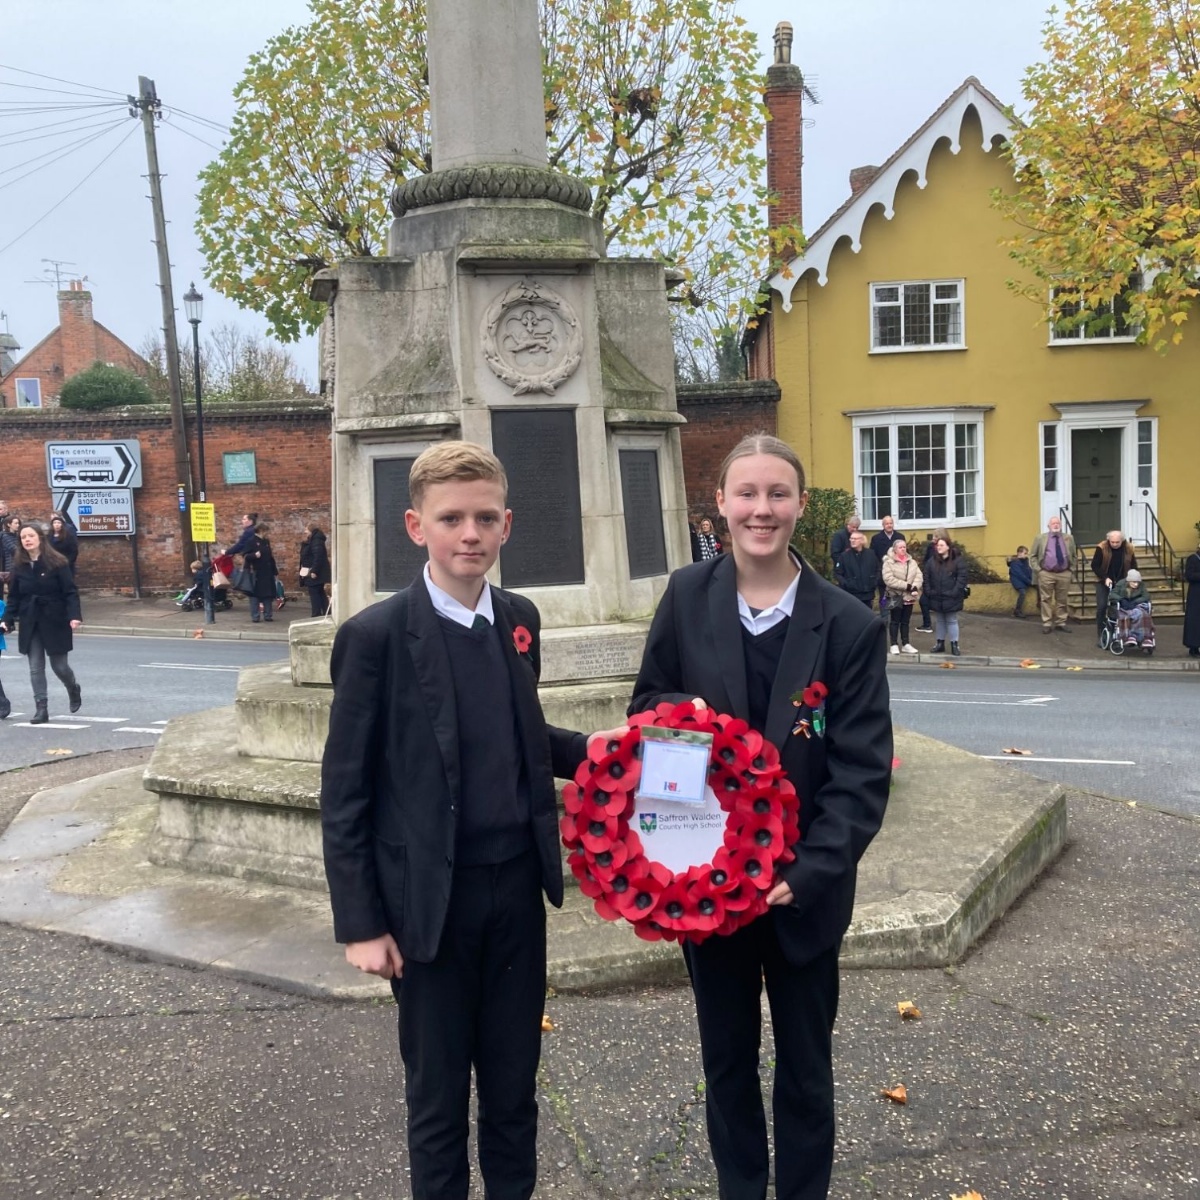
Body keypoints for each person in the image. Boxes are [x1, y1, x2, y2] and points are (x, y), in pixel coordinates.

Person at [321, 442, 608, 1200]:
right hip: (428, 909)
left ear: (508, 524)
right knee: (439, 1102)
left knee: (514, 1096)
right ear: (416, 526)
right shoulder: (375, 639)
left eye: (485, 517)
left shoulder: (519, 620)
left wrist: (592, 754)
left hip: (515, 894)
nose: (469, 533)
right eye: (451, 518)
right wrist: (361, 922)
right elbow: (345, 789)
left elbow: (516, 734)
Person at [630, 433, 892, 1200]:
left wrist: (809, 871)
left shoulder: (847, 625)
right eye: (746, 493)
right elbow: (645, 708)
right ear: (720, 503)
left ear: (801, 505)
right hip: (709, 893)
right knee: (727, 1067)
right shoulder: (686, 597)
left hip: (800, 895)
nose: (761, 509)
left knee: (807, 1072)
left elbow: (862, 770)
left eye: (778, 494)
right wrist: (680, 718)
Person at [0, 522, 83, 724]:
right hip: (31, 620)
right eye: (23, 537)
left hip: (55, 618)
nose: (27, 540)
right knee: (35, 666)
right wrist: (6, 620)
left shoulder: (57, 562)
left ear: (40, 538)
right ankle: (41, 708)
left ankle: (73, 687)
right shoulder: (19, 566)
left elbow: (70, 592)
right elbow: (14, 598)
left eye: (30, 536)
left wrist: (74, 615)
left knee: (59, 666)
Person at [1030, 517, 1076, 635]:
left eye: (1058, 523)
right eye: (1053, 523)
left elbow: (1074, 556)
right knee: (1046, 599)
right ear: (1048, 526)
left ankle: (1061, 622)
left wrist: (1071, 569)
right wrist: (1039, 570)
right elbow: (1033, 556)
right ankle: (1047, 623)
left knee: (1062, 599)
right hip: (1046, 573)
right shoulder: (1040, 538)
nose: (1056, 525)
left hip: (1064, 573)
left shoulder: (1068, 538)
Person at [924, 535, 968, 655]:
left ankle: (954, 644)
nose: (939, 547)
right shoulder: (932, 561)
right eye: (938, 545)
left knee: (952, 620)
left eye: (942, 545)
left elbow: (962, 578)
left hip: (952, 596)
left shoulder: (957, 561)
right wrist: (929, 591)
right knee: (940, 620)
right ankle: (940, 643)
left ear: (948, 546)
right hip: (936, 596)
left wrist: (954, 592)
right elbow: (926, 577)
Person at [1091, 530, 1136, 647]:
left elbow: (1133, 566)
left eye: (1117, 542)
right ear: (1108, 540)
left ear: (1122, 540)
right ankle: (1102, 636)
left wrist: (1131, 580)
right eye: (1112, 542)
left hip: (1122, 582)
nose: (1115, 544)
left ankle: (1122, 635)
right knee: (1101, 607)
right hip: (1104, 582)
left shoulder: (1129, 548)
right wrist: (1105, 577)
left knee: (1121, 607)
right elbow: (1094, 565)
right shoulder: (1102, 547)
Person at [882, 538, 922, 654]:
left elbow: (919, 576)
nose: (903, 549)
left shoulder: (912, 562)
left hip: (909, 596)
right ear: (895, 549)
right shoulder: (888, 562)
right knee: (894, 621)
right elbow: (889, 579)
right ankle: (894, 644)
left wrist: (914, 587)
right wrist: (907, 586)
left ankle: (906, 643)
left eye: (904, 547)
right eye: (900, 547)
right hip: (895, 595)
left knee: (905, 621)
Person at [833, 529, 880, 609]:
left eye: (855, 539)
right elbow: (838, 573)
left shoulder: (871, 554)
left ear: (861, 541)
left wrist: (874, 582)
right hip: (851, 593)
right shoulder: (844, 556)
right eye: (851, 539)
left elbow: (878, 570)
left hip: (867, 593)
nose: (853, 541)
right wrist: (847, 584)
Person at [1112, 569, 1155, 653]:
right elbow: (1112, 594)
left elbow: (1146, 596)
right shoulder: (1121, 584)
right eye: (1134, 582)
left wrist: (1136, 601)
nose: (1136, 584)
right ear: (1129, 581)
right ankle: (1133, 636)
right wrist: (1121, 599)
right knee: (1131, 615)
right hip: (1124, 605)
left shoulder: (1141, 585)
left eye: (1137, 582)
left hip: (1136, 605)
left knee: (1142, 614)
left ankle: (1142, 637)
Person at [869, 515, 904, 614]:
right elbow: (873, 556)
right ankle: (884, 619)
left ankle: (894, 619)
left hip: (897, 572)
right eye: (887, 523)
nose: (889, 525)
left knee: (896, 596)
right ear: (883, 525)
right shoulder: (876, 538)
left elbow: (905, 554)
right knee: (884, 597)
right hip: (882, 572)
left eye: (891, 523)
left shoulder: (900, 537)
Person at [245, 522, 279, 623]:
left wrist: (274, 570)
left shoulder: (266, 541)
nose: (267, 534)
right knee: (255, 595)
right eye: (266, 532)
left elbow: (270, 557)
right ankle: (255, 616)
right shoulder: (251, 541)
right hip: (256, 572)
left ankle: (268, 615)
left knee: (268, 594)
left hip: (267, 572)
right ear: (261, 531)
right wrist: (254, 555)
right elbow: (245, 556)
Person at [915, 528, 946, 632]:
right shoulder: (930, 547)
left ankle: (944, 624)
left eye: (936, 537)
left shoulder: (946, 549)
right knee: (923, 601)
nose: (933, 538)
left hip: (940, 580)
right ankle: (927, 624)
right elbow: (926, 561)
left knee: (941, 603)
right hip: (929, 579)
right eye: (933, 536)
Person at [299, 523, 331, 617]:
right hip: (314, 570)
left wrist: (314, 571)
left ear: (311, 530)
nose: (305, 531)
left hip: (314, 572)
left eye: (307, 530)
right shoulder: (315, 540)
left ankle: (316, 613)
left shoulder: (316, 541)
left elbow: (318, 557)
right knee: (320, 592)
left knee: (314, 593)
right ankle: (326, 612)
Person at [1183, 539, 1200, 658]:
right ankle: (1193, 646)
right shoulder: (1193, 559)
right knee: (1195, 620)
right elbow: (1189, 575)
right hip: (1196, 594)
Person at [48, 513, 79, 577]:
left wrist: (68, 562)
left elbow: (74, 550)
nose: (56, 525)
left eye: (58, 523)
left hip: (65, 564)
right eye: (54, 523)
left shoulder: (68, 535)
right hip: (52, 565)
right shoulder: (48, 536)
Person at [1008, 545, 1033, 618]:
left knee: (1039, 586)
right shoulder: (1014, 562)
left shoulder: (1025, 561)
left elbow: (1028, 571)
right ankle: (1017, 610)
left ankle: (1039, 603)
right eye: (1025, 553)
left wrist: (1033, 579)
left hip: (1024, 580)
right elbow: (1019, 575)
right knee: (1022, 592)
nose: (1026, 555)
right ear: (1019, 553)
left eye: (1026, 553)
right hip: (1017, 581)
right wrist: (1029, 582)